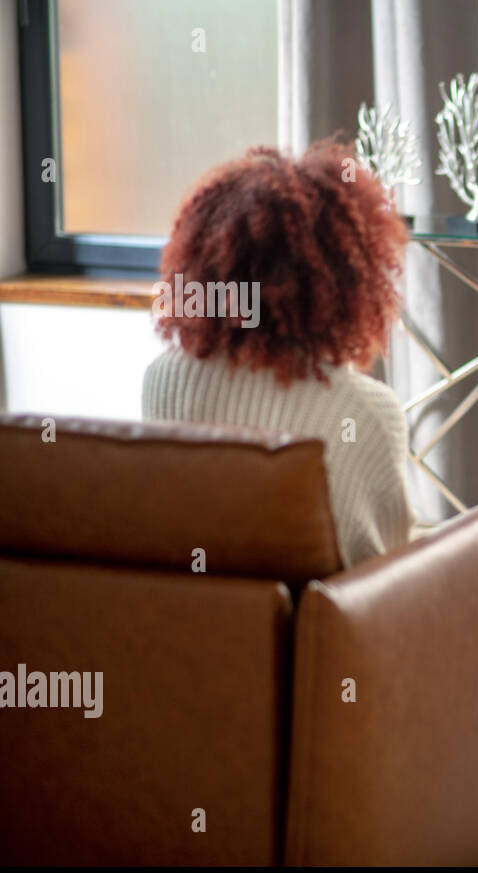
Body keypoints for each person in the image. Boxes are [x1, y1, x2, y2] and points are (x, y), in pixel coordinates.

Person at [142, 138, 417, 568]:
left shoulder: (162, 380)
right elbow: (391, 572)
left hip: (189, 624)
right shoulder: (367, 412)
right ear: (348, 280)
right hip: (315, 633)